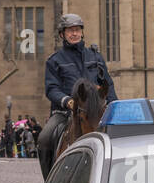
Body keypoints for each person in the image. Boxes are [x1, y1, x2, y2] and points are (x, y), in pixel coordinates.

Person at [37, 13, 118, 174]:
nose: (74, 33)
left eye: (77, 30)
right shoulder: (55, 60)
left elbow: (107, 83)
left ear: (82, 32)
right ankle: (49, 182)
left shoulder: (95, 56)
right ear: (62, 34)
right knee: (44, 139)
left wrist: (114, 105)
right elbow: (51, 89)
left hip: (96, 111)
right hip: (65, 111)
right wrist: (66, 100)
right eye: (70, 30)